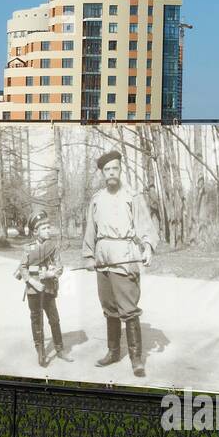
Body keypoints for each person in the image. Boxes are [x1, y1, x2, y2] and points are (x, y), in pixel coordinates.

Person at [82, 149, 156, 375]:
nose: (111, 172)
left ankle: (136, 359)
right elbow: (90, 229)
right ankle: (113, 352)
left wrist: (148, 247)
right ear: (102, 173)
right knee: (109, 307)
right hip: (102, 256)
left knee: (129, 308)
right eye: (107, 169)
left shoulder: (133, 196)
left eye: (115, 168)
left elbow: (146, 225)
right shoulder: (97, 199)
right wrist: (88, 255)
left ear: (121, 169)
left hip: (124, 254)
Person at [14, 212, 70, 368]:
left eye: (48, 227)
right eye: (44, 228)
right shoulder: (28, 248)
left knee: (54, 319)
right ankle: (40, 351)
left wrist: (52, 273)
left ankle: (60, 349)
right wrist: (33, 280)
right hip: (33, 290)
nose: (48, 230)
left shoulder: (53, 247)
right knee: (36, 320)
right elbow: (23, 268)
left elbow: (59, 267)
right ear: (35, 231)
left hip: (49, 288)